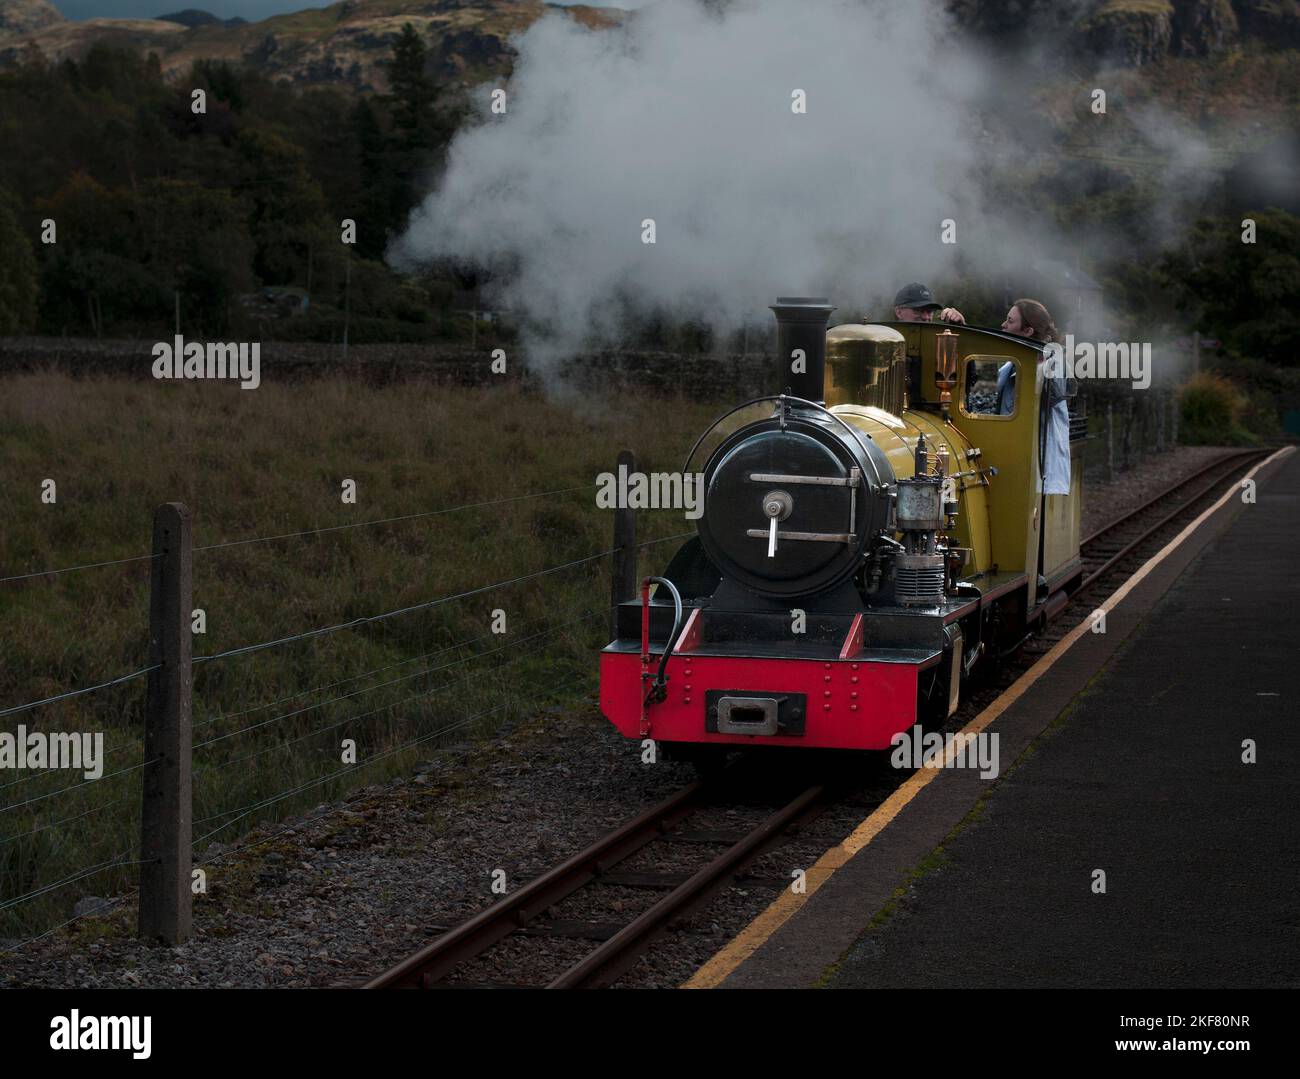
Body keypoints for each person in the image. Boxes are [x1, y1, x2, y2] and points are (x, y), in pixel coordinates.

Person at [996, 298, 1070, 496]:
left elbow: (1056, 394)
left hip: (1038, 469)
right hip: (1011, 459)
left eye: (1010, 321)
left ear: (1028, 331)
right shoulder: (1009, 366)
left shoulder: (1055, 364)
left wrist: (1045, 356)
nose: (1003, 325)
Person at [892, 282, 965, 325]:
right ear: (899, 312)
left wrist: (960, 326)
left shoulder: (939, 340)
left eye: (930, 311)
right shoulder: (884, 341)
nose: (926, 317)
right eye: (918, 310)